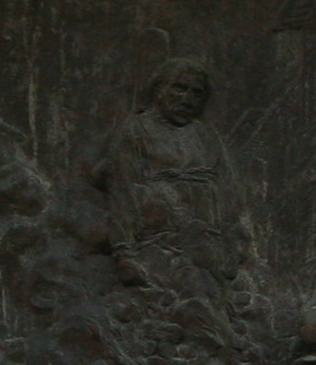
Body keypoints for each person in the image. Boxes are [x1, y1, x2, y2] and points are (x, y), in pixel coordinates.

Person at [89, 59, 238, 290]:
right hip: (159, 244)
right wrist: (124, 252)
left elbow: (227, 190)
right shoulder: (136, 130)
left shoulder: (206, 136)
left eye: (197, 93)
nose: (187, 100)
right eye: (179, 88)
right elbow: (122, 191)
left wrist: (233, 243)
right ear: (159, 89)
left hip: (209, 245)